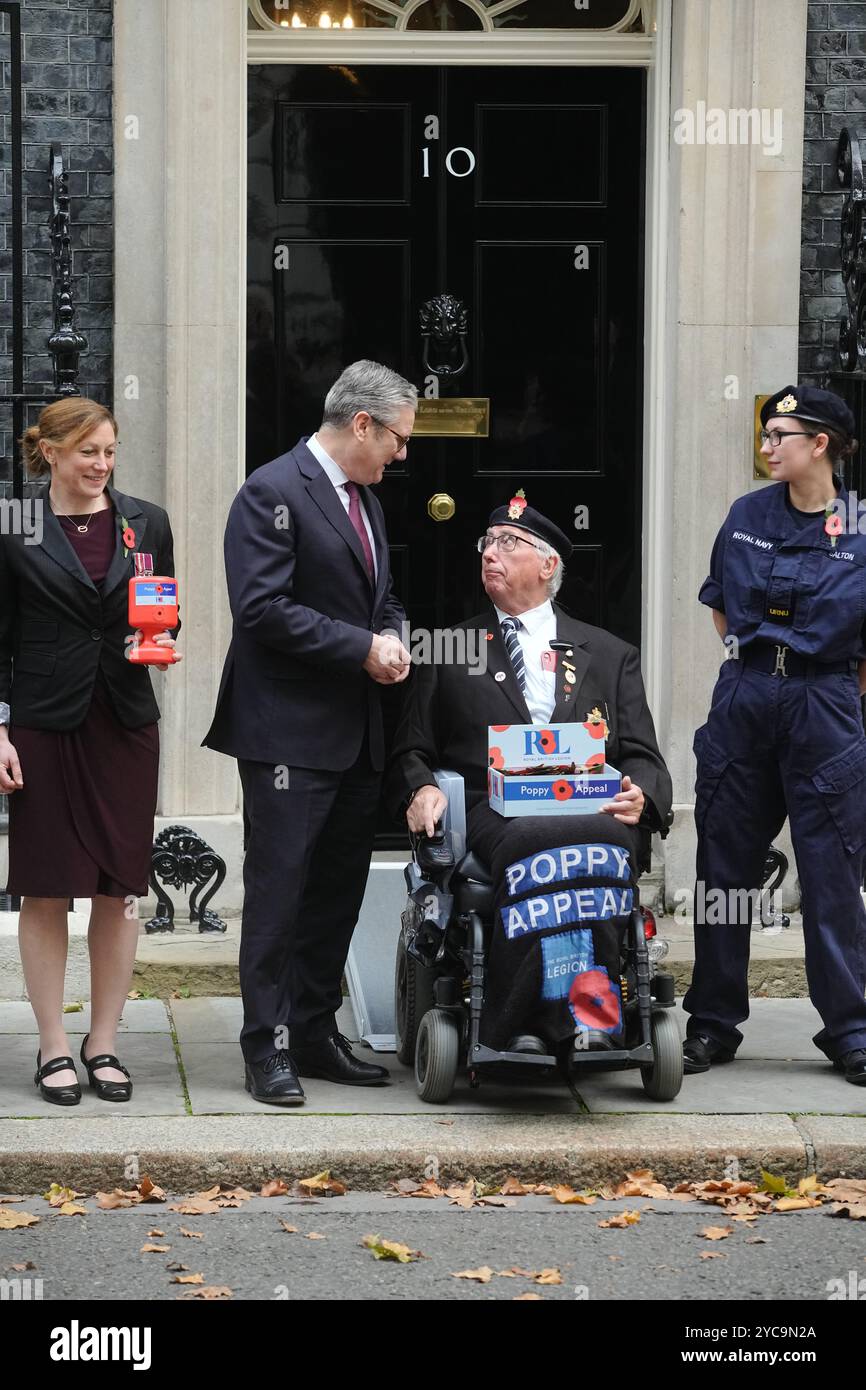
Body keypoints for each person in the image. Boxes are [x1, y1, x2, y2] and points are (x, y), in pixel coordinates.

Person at [386, 493, 672, 1057]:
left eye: (508, 544)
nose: (491, 553)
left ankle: (584, 1010)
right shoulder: (449, 650)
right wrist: (419, 788)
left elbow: (643, 755)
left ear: (547, 566)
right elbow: (410, 748)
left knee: (595, 841)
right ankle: (542, 1015)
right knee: (534, 839)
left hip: (594, 807)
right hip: (499, 813)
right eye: (486, 543)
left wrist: (644, 796)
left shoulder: (610, 655)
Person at [203, 360, 415, 1105]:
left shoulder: (365, 501)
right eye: (397, 438)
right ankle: (267, 1045)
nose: (403, 453)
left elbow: (381, 595)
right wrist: (360, 647)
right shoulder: (271, 491)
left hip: (356, 731)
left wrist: (391, 634)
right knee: (279, 891)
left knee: (336, 890)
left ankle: (316, 1029)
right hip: (286, 734)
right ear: (362, 424)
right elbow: (260, 609)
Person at [0, 398, 181, 1105]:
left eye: (109, 451)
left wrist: (162, 642)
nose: (102, 464)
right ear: (50, 452)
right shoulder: (13, 522)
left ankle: (103, 1040)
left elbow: (160, 605)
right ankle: (51, 1046)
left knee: (120, 889)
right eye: (88, 452)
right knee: (44, 889)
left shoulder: (147, 521)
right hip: (45, 722)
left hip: (126, 721)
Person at [684, 384, 866, 1085]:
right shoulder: (747, 515)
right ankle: (712, 1021)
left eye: (778, 436)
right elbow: (722, 610)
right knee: (723, 869)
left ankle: (849, 1028)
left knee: (831, 874)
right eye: (764, 436)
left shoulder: (859, 526)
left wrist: (818, 687)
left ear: (820, 443)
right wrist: (762, 672)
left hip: (826, 704)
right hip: (746, 698)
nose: (765, 448)